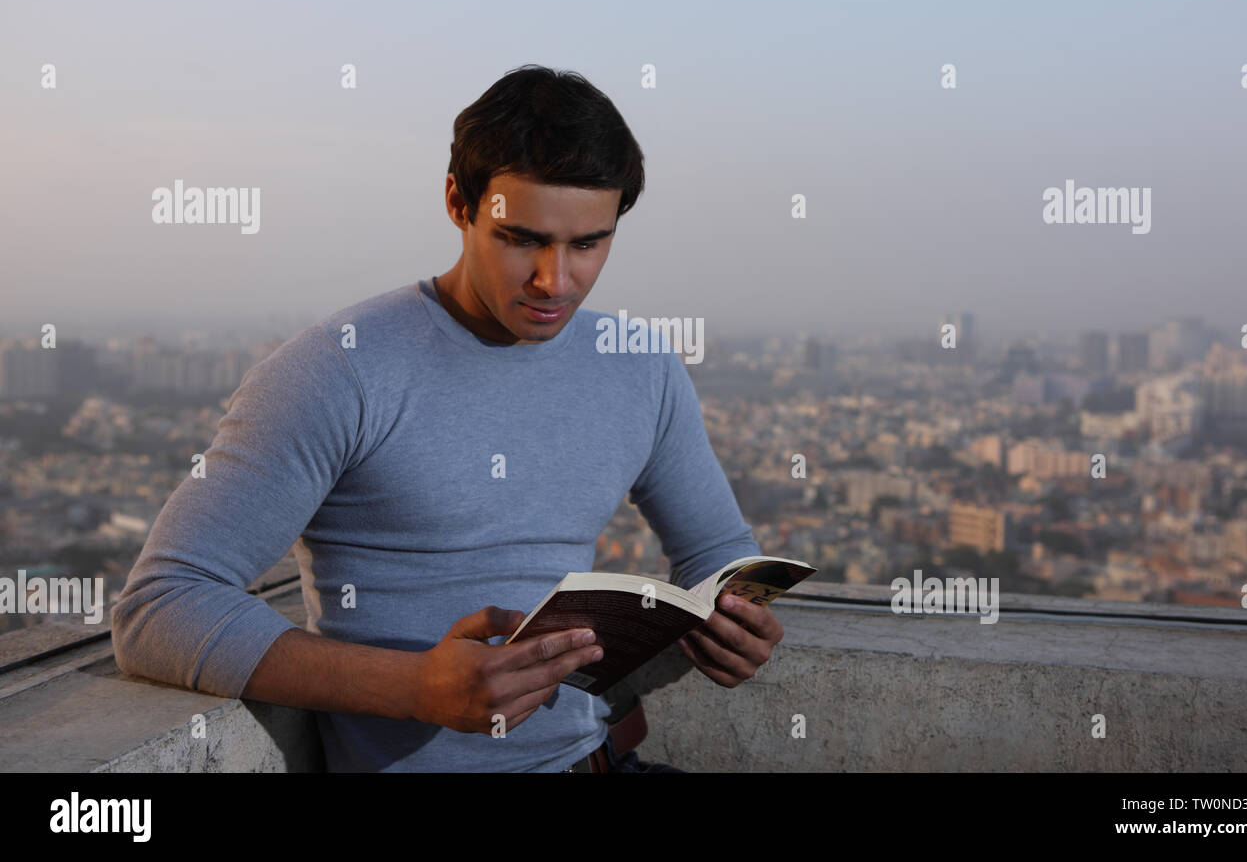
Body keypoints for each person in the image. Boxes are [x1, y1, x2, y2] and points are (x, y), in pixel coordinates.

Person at [111, 64, 785, 772]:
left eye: (588, 244)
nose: (556, 281)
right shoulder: (338, 369)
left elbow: (720, 556)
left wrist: (739, 621)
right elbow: (160, 607)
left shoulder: (640, 366)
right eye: (522, 238)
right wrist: (414, 688)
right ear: (459, 205)